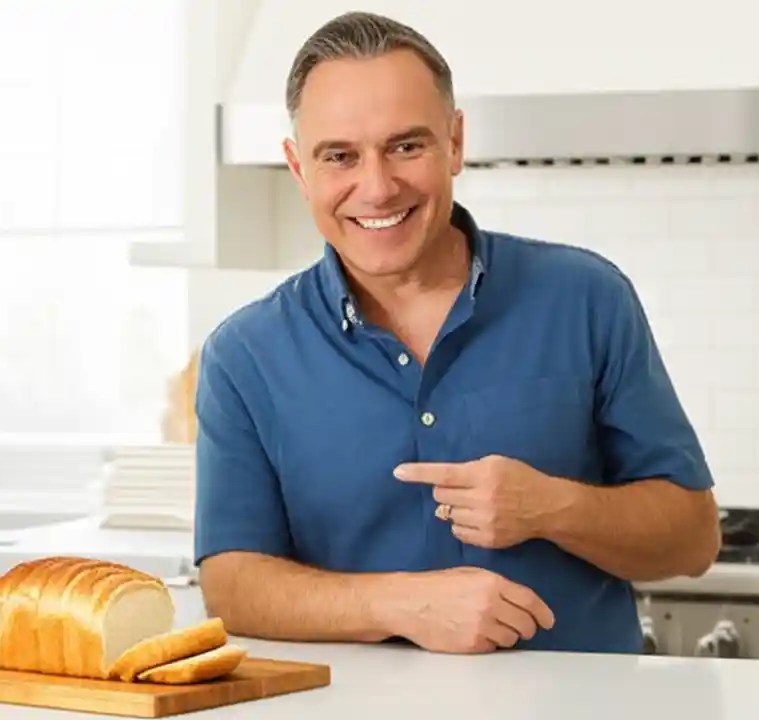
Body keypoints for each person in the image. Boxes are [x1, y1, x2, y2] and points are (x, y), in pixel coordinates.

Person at [192, 11, 721, 655]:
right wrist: (402, 603)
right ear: (299, 168)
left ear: (456, 142)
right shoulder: (244, 356)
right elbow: (230, 585)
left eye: (406, 146)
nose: (378, 187)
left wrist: (550, 508)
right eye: (340, 156)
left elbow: (692, 541)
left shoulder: (587, 298)